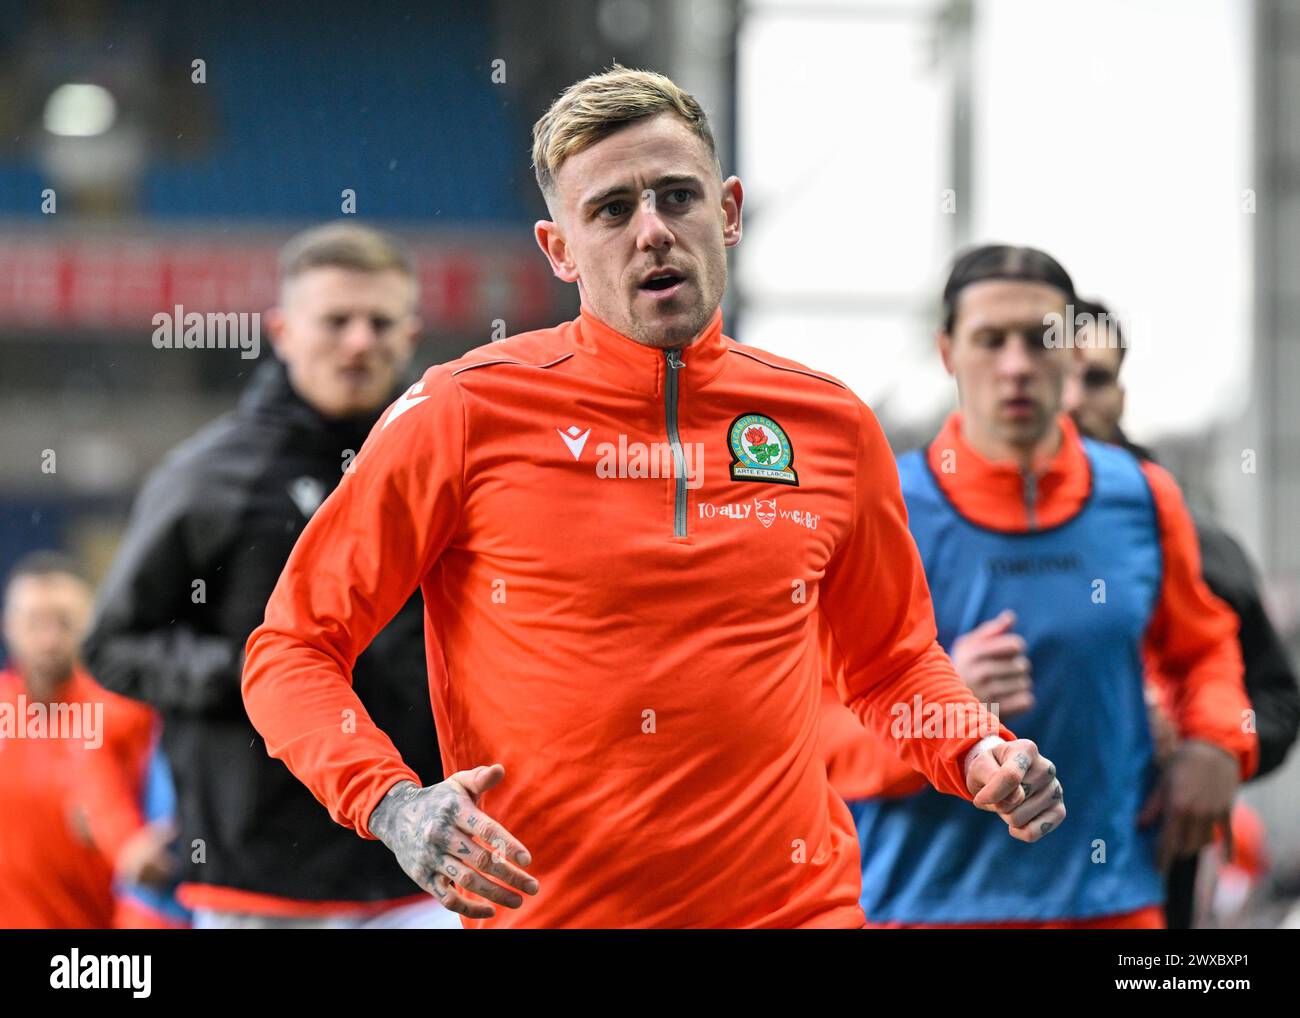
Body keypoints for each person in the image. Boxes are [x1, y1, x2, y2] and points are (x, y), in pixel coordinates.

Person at [241, 66, 1066, 930]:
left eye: (679, 197)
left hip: (799, 909)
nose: (654, 232)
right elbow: (291, 648)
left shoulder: (829, 421)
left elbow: (891, 663)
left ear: (731, 210)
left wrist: (974, 746)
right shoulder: (461, 410)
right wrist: (394, 806)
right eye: (611, 210)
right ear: (559, 248)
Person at [824, 245, 1257, 928]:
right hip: (924, 907)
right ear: (947, 352)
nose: (1018, 364)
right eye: (991, 340)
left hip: (1111, 903)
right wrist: (943, 711)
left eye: (1042, 338)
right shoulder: (882, 505)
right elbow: (809, 730)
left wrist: (1218, 744)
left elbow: (1204, 648)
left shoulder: (1142, 497)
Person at [82, 223, 458, 929]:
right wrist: (255, 676)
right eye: (336, 320)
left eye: (380, 322)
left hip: (424, 867)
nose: (359, 341)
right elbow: (112, 644)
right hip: (260, 878)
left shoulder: (445, 464)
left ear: (410, 335)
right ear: (282, 331)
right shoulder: (208, 478)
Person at [1061, 296, 1300, 926]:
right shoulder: (934, 530)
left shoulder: (1195, 544)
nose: (1073, 400)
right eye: (1055, 373)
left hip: (1152, 897)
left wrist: (1210, 745)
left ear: (1122, 393)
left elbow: (1274, 701)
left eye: (1095, 378)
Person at [0, 552, 171, 928]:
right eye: (34, 622)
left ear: (91, 623)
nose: (48, 639)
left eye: (63, 622)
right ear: (9, 626)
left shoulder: (130, 712)